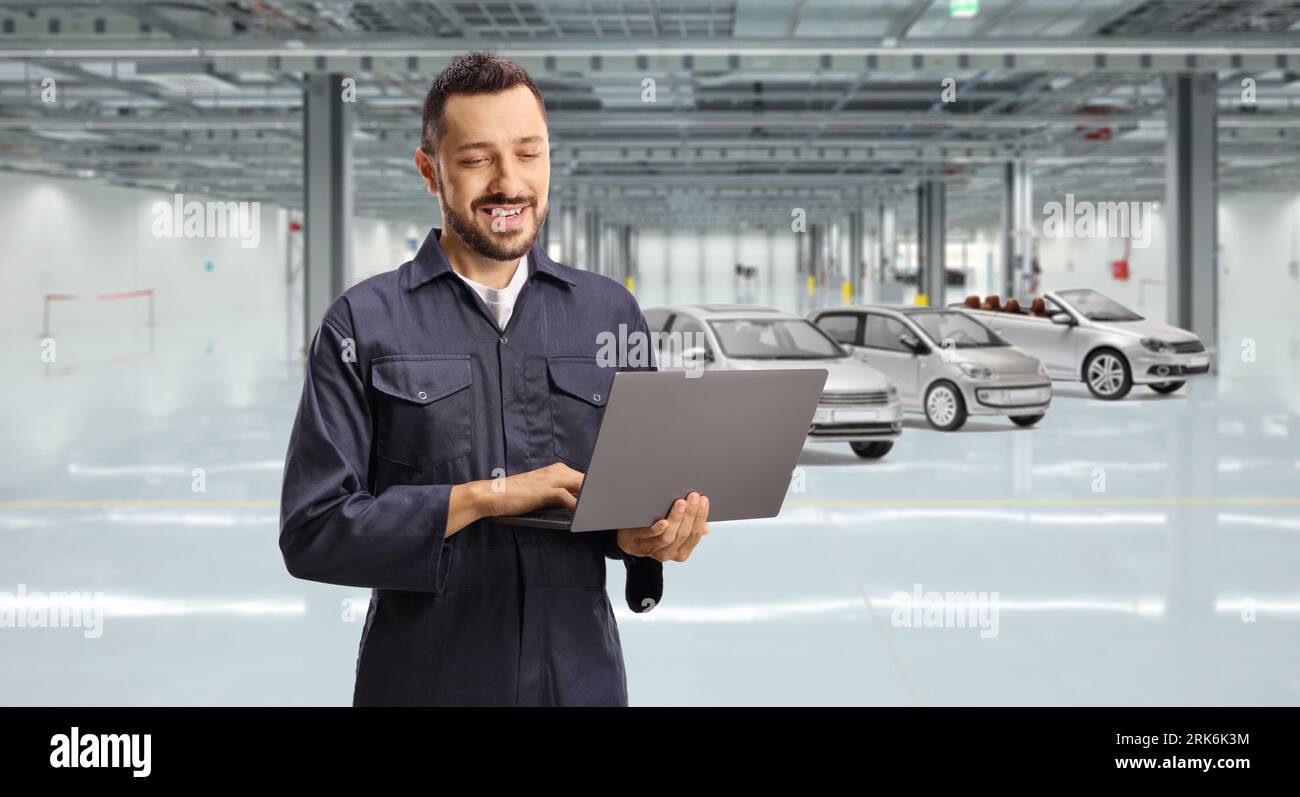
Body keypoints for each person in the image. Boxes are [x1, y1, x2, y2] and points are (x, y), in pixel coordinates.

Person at [278, 51, 710, 706]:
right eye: (478, 158)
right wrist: (484, 496)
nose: (509, 183)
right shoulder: (362, 324)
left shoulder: (608, 314)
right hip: (424, 683)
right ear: (431, 171)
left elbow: (626, 507)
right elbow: (314, 530)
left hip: (580, 680)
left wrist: (645, 539)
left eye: (529, 153)